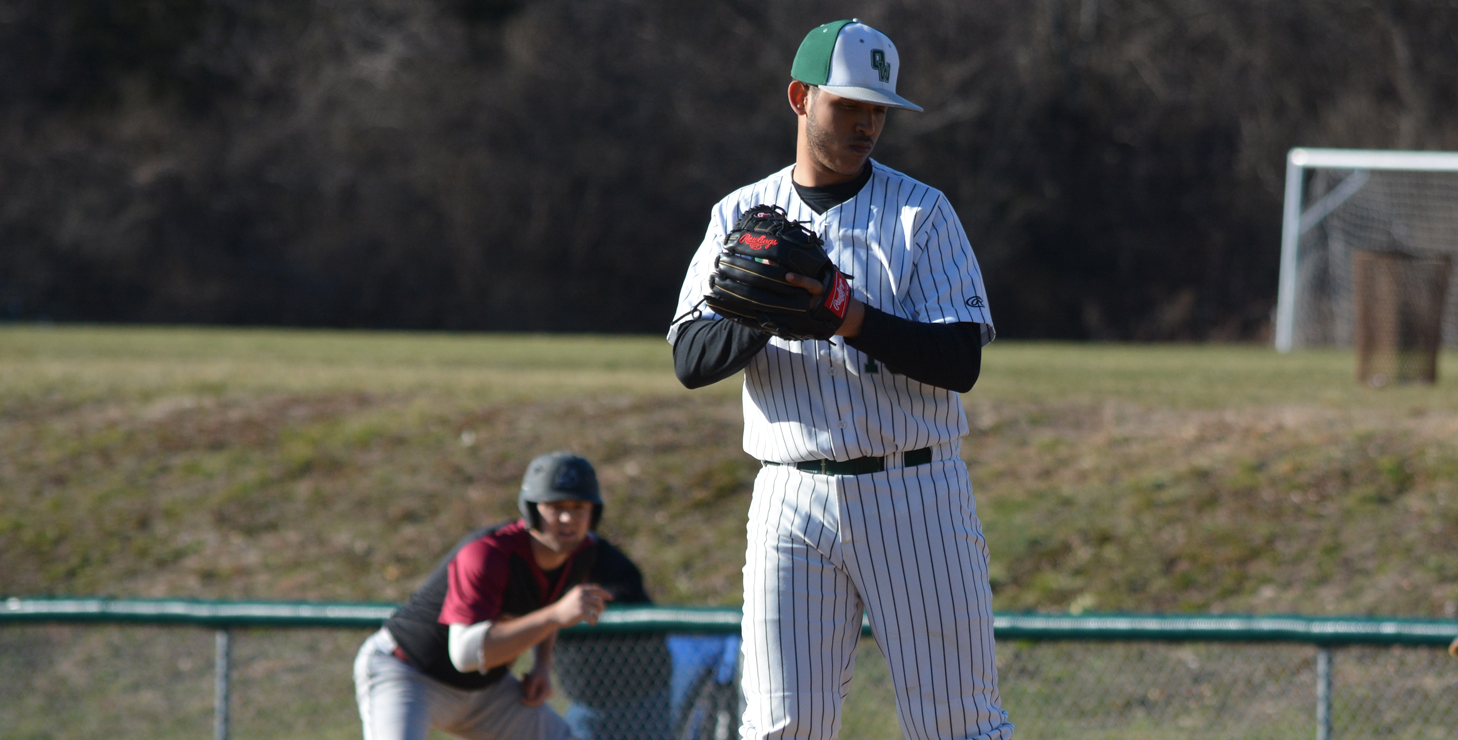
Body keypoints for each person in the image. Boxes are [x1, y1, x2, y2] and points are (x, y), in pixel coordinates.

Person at [666, 18, 1012, 740]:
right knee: (780, 727)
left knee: (958, 724)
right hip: (789, 494)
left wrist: (847, 313)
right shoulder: (738, 215)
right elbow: (691, 359)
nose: (865, 123)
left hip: (913, 489)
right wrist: (766, 309)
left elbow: (961, 361)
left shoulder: (923, 213)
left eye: (877, 109)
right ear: (799, 96)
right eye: (848, 105)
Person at [355, 452, 648, 740]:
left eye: (579, 507)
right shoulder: (487, 554)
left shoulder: (582, 553)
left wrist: (542, 666)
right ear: (532, 509)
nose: (568, 517)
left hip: (484, 692)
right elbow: (467, 654)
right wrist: (556, 615)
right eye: (555, 506)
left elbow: (548, 604)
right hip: (407, 673)